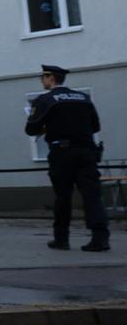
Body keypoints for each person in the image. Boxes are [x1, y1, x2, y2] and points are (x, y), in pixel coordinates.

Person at [27, 64, 108, 252]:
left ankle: (61, 239)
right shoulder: (84, 98)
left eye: (43, 77)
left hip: (62, 154)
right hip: (87, 152)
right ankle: (100, 238)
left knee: (63, 197)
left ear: (50, 78)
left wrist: (47, 128)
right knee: (92, 196)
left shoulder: (45, 100)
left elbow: (31, 129)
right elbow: (95, 127)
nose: (42, 81)